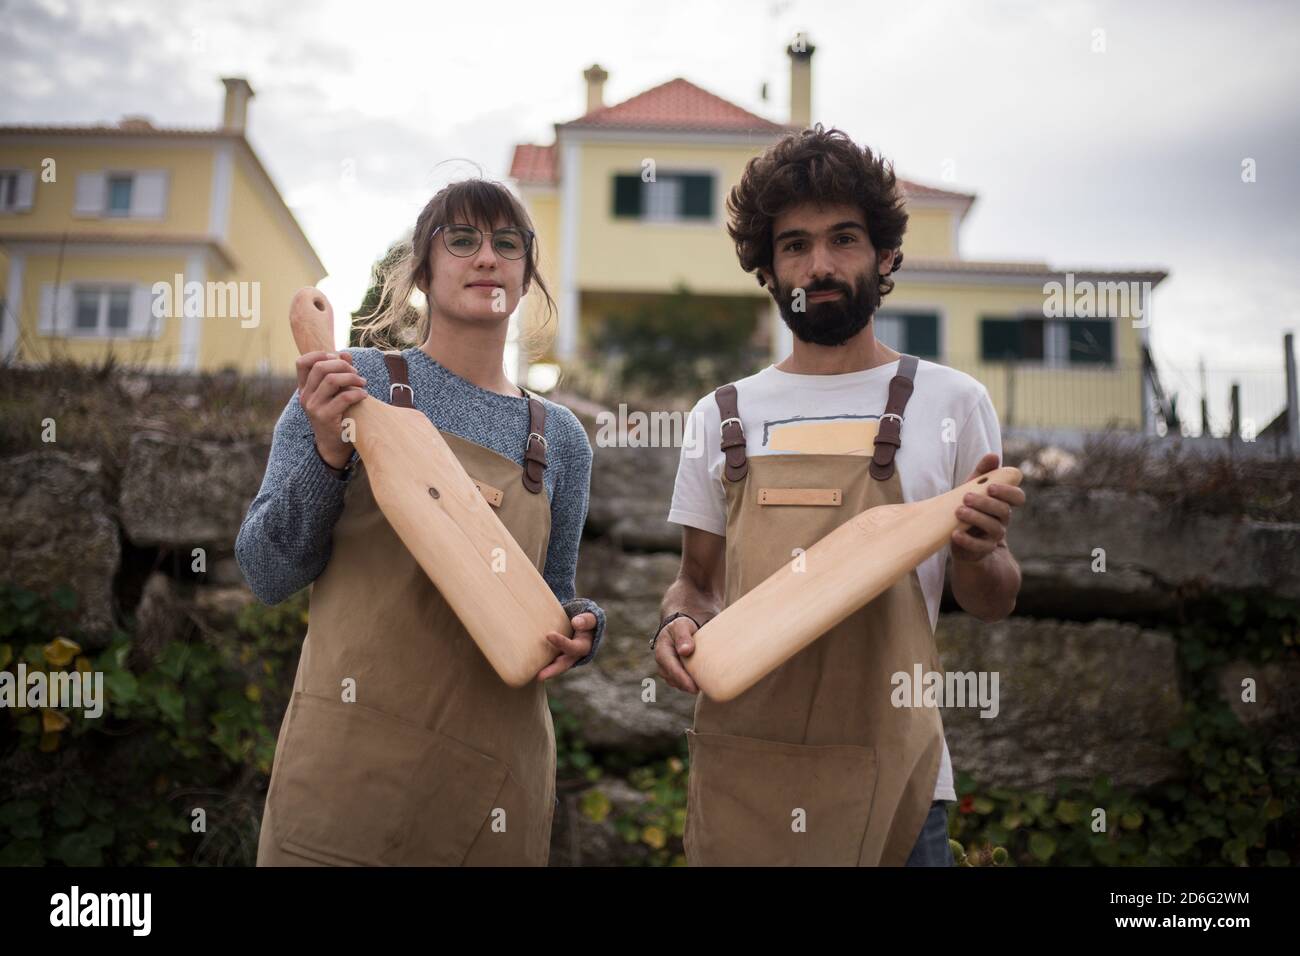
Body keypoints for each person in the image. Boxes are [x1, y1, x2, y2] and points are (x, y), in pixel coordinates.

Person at [654, 125, 1026, 866]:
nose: (818, 265)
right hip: (745, 771)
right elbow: (696, 585)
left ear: (884, 255)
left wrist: (978, 552)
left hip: (901, 779)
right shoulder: (719, 414)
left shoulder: (952, 401)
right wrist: (676, 627)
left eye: (842, 239)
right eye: (794, 245)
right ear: (767, 267)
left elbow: (993, 598)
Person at [236, 178, 605, 866]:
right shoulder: (348, 383)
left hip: (494, 783)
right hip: (347, 775)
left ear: (527, 275)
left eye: (507, 243)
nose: (486, 257)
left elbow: (550, 597)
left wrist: (581, 627)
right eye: (461, 240)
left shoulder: (560, 438)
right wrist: (327, 449)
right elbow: (266, 571)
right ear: (423, 271)